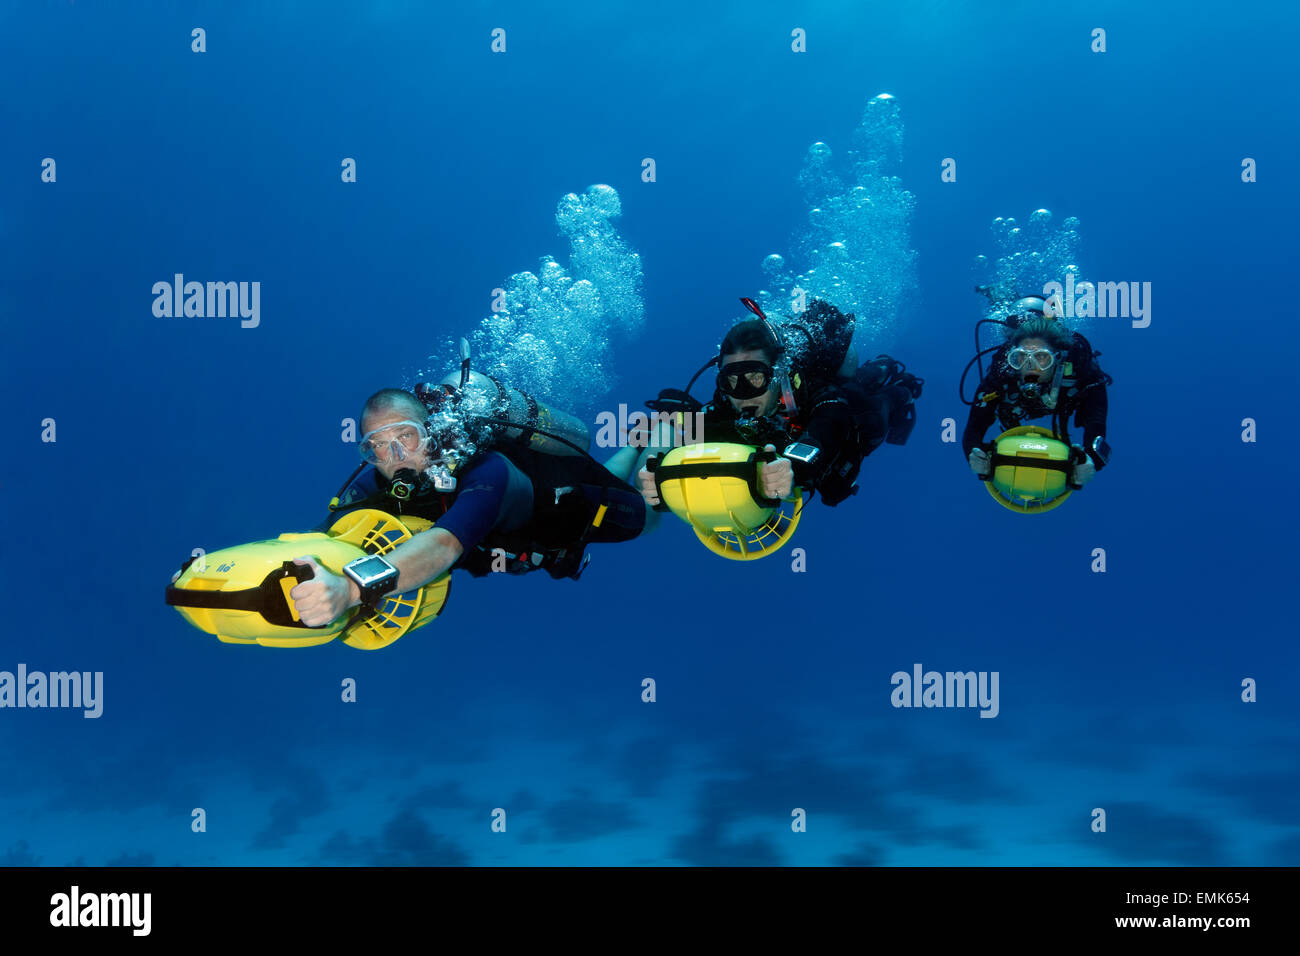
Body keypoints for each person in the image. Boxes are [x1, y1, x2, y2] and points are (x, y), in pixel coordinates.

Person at [289, 382, 646, 628]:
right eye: (377, 445)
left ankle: (647, 439)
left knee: (644, 514)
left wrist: (351, 590)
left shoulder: (486, 469)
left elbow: (445, 543)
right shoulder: (375, 485)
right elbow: (324, 537)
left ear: (430, 431)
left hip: (574, 507)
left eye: (406, 436)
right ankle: (635, 445)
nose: (395, 456)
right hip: (521, 548)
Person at [637, 297, 923, 509]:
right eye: (731, 381)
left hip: (835, 392)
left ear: (777, 375)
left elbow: (829, 423)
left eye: (755, 378)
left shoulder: (812, 392)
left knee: (869, 417)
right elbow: (700, 432)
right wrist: (663, 476)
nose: (742, 393)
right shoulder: (725, 402)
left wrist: (794, 469)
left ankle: (897, 384)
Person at [962, 292, 1112, 484]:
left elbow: (1096, 424)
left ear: (1057, 357)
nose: (1030, 366)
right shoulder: (1001, 375)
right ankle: (1002, 293)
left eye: (1041, 357)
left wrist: (1091, 460)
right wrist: (974, 456)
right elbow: (974, 428)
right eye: (1020, 357)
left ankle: (1006, 293)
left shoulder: (1082, 373)